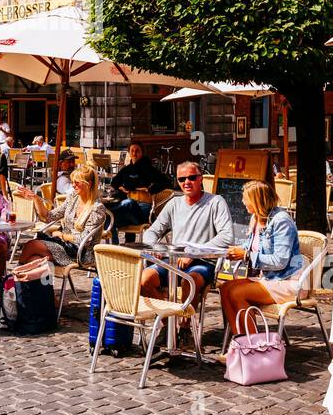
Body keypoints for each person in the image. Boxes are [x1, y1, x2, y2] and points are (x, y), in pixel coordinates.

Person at [219, 180, 305, 336]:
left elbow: (280, 260)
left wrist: (246, 256)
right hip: (269, 278)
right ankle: (240, 341)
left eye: (246, 198)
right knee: (225, 288)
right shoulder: (256, 218)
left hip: (288, 281)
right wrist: (232, 251)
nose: (243, 202)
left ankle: (253, 346)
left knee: (237, 293)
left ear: (257, 200)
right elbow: (251, 245)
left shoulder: (281, 221)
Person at [141, 161, 233, 302]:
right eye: (182, 179)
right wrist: (155, 247)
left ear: (201, 178)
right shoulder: (174, 203)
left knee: (189, 282)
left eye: (192, 178)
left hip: (203, 262)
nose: (187, 182)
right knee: (143, 280)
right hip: (173, 261)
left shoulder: (215, 202)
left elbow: (227, 237)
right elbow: (151, 231)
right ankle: (167, 322)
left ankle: (185, 324)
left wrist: (193, 252)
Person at [18, 164, 110, 269]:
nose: (73, 185)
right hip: (64, 245)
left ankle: (13, 278)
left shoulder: (97, 208)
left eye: (77, 182)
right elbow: (49, 216)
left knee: (32, 245)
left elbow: (84, 240)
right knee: (34, 259)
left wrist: (62, 235)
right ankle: (26, 283)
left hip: (80, 252)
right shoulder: (73, 198)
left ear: (88, 184)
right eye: (72, 182)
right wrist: (35, 199)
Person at [110, 141, 172, 231]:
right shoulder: (126, 169)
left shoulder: (148, 169)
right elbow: (114, 183)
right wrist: (121, 188)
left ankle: (107, 211)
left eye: (137, 151)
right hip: (128, 210)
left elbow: (166, 182)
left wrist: (150, 189)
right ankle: (117, 244)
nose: (134, 153)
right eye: (132, 151)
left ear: (142, 153)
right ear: (129, 153)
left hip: (143, 210)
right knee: (111, 221)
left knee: (128, 203)